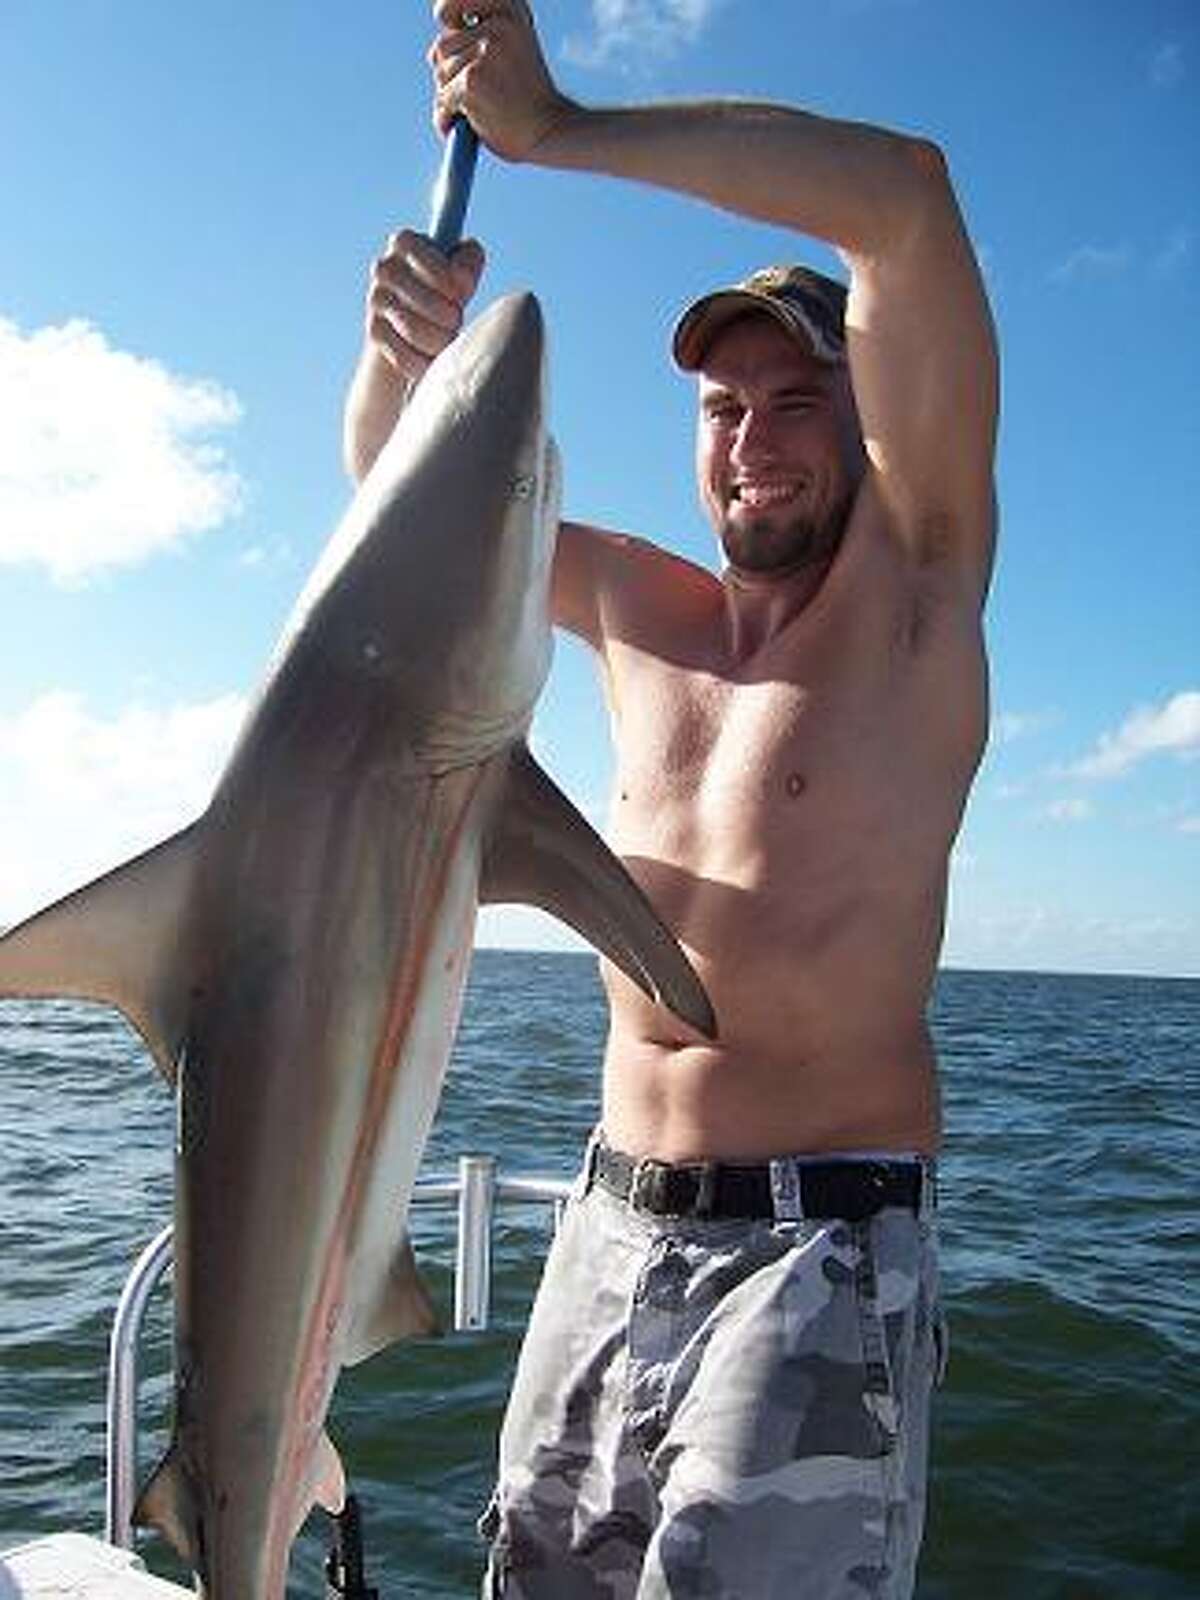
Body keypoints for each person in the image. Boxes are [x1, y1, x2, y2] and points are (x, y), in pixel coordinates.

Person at [343, 4, 998, 1594]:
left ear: (869, 424)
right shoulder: (642, 610)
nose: (755, 440)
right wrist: (393, 358)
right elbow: (397, 504)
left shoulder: (917, 598)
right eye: (726, 408)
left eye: (798, 401)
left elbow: (909, 195)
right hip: (604, 1222)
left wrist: (559, 134)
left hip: (817, 1252)